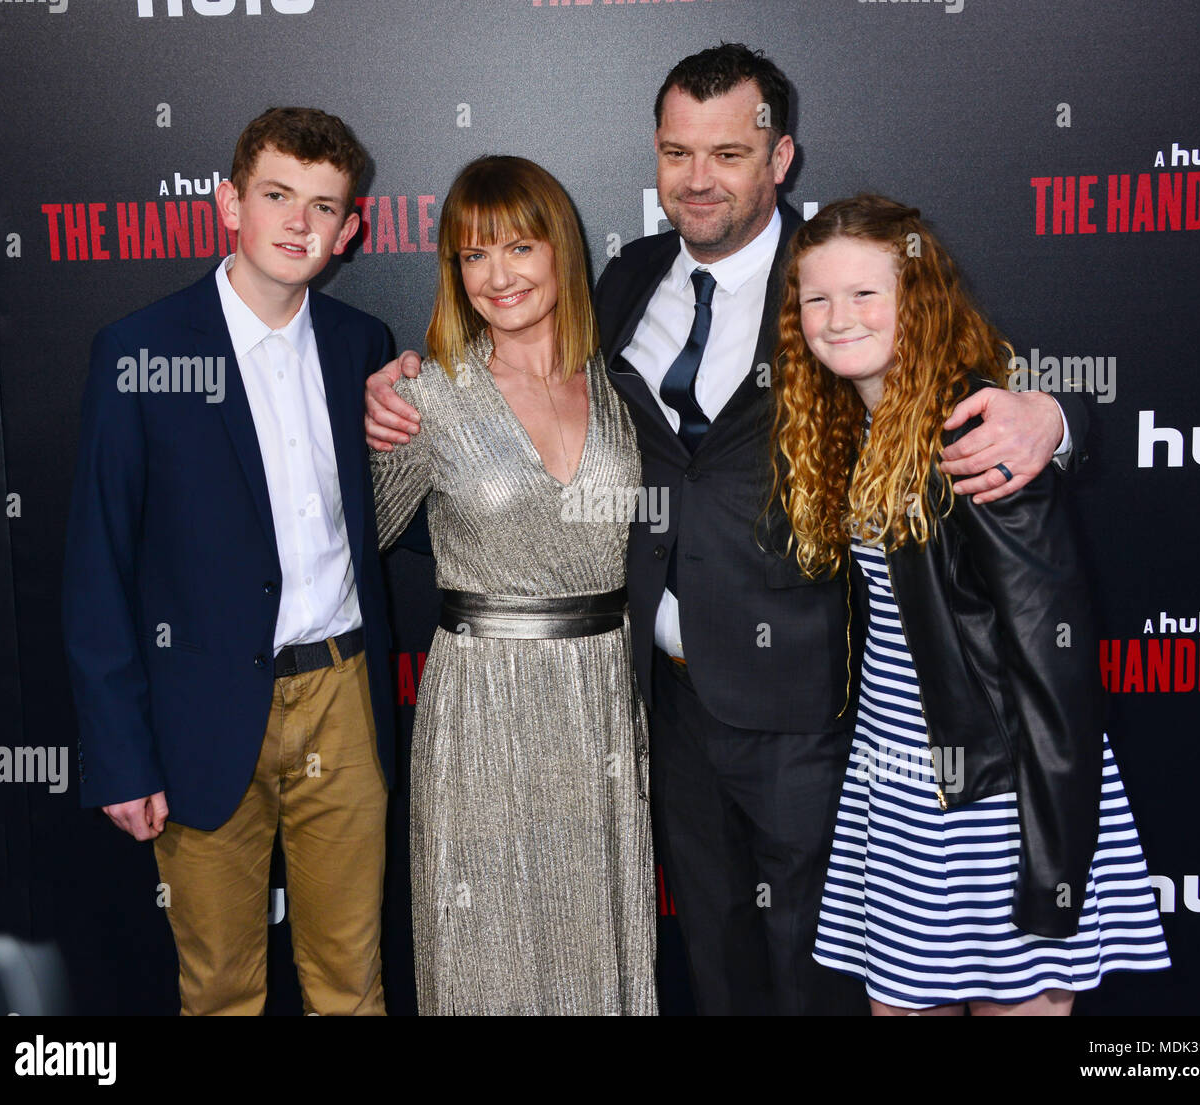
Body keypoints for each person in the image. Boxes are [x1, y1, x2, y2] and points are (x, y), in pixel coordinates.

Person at [365, 45, 1085, 1016]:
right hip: (655, 704)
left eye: (727, 152)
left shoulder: (830, 271)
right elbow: (503, 435)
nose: (697, 178)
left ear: (779, 156)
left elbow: (967, 375)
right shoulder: (625, 281)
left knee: (812, 972)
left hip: (805, 702)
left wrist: (1049, 418)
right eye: (675, 152)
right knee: (711, 958)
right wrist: (403, 392)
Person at [772, 193, 1171, 1015]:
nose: (838, 317)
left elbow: (1051, 660)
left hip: (998, 796)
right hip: (902, 780)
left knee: (1017, 1008)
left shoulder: (974, 429)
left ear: (915, 300)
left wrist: (1052, 865)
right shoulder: (856, 423)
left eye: (865, 294)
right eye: (818, 297)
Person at [63, 108, 401, 1015]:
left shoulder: (357, 346)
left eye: (323, 206)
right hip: (199, 712)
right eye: (278, 196)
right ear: (229, 203)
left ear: (350, 229)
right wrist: (121, 757)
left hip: (342, 696)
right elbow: (97, 568)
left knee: (351, 982)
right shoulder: (139, 353)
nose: (299, 223)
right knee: (218, 989)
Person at [369, 155, 656, 1016]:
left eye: (519, 247)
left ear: (560, 250)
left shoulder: (623, 386)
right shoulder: (427, 397)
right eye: (472, 255)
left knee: (598, 940)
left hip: (604, 699)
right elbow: (349, 543)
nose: (498, 276)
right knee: (485, 944)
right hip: (481, 706)